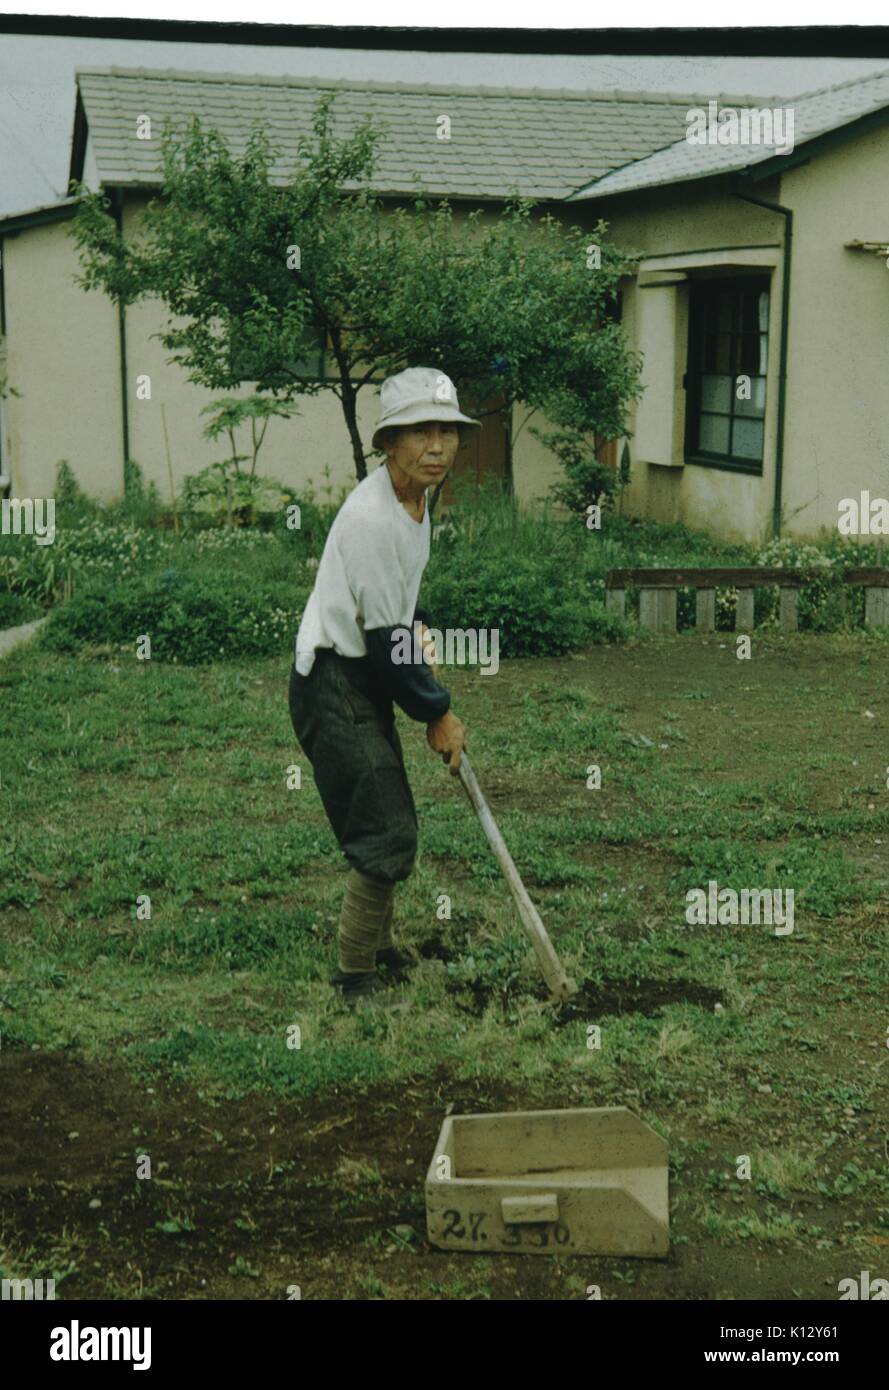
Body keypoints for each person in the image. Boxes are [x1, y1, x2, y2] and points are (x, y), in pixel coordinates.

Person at [288, 366, 476, 999]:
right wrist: (436, 711)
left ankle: (380, 948)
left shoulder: (416, 502)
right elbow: (380, 640)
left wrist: (416, 628)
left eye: (447, 431)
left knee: (389, 811)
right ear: (388, 443)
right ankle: (353, 975)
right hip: (334, 681)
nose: (437, 446)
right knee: (386, 827)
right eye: (419, 431)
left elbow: (397, 610)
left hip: (367, 669)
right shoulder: (370, 516)